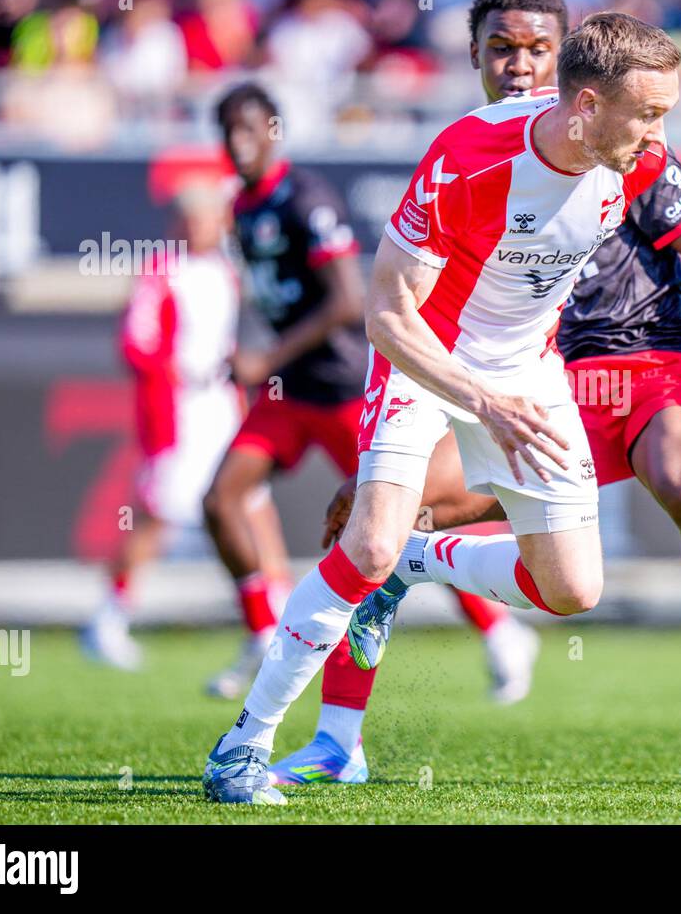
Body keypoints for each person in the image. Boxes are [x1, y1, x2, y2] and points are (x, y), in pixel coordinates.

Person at [334, 0, 681, 779]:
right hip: (548, 379)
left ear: (574, 72)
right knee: (375, 517)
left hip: (655, 356)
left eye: (539, 50)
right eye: (502, 50)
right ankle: (337, 739)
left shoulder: (624, 142)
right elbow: (409, 294)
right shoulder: (470, 156)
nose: (520, 66)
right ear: (475, 58)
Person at [202, 10, 681, 804]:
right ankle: (243, 747)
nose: (661, 134)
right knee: (364, 546)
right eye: (650, 113)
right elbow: (386, 314)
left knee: (572, 592)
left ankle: (416, 564)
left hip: (527, 371)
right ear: (589, 107)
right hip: (424, 357)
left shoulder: (638, 158)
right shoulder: (470, 157)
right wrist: (478, 397)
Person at [205, 82, 536, 788]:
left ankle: (499, 631)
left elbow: (351, 301)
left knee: (387, 536)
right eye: (225, 131)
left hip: (347, 386)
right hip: (289, 393)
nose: (237, 143)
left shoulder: (307, 200)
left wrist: (267, 354)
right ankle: (267, 632)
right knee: (221, 499)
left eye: (248, 129)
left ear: (273, 132)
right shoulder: (241, 207)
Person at [82, 184, 290, 671]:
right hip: (178, 411)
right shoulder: (160, 270)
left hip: (222, 404)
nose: (204, 226)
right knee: (159, 514)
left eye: (211, 217)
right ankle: (109, 617)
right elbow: (136, 341)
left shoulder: (226, 271)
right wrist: (170, 370)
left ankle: (275, 611)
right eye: (195, 218)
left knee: (254, 503)